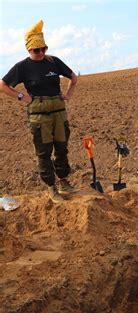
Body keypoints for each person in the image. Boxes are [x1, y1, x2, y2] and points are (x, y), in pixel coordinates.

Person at [0, 20, 78, 204]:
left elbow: (73, 77)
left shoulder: (54, 61)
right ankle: (51, 188)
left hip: (59, 112)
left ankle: (63, 182)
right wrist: (22, 96)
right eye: (37, 50)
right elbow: (3, 85)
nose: (41, 52)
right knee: (44, 152)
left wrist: (67, 95)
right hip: (39, 115)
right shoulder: (22, 67)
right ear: (29, 49)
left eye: (44, 48)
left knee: (62, 148)